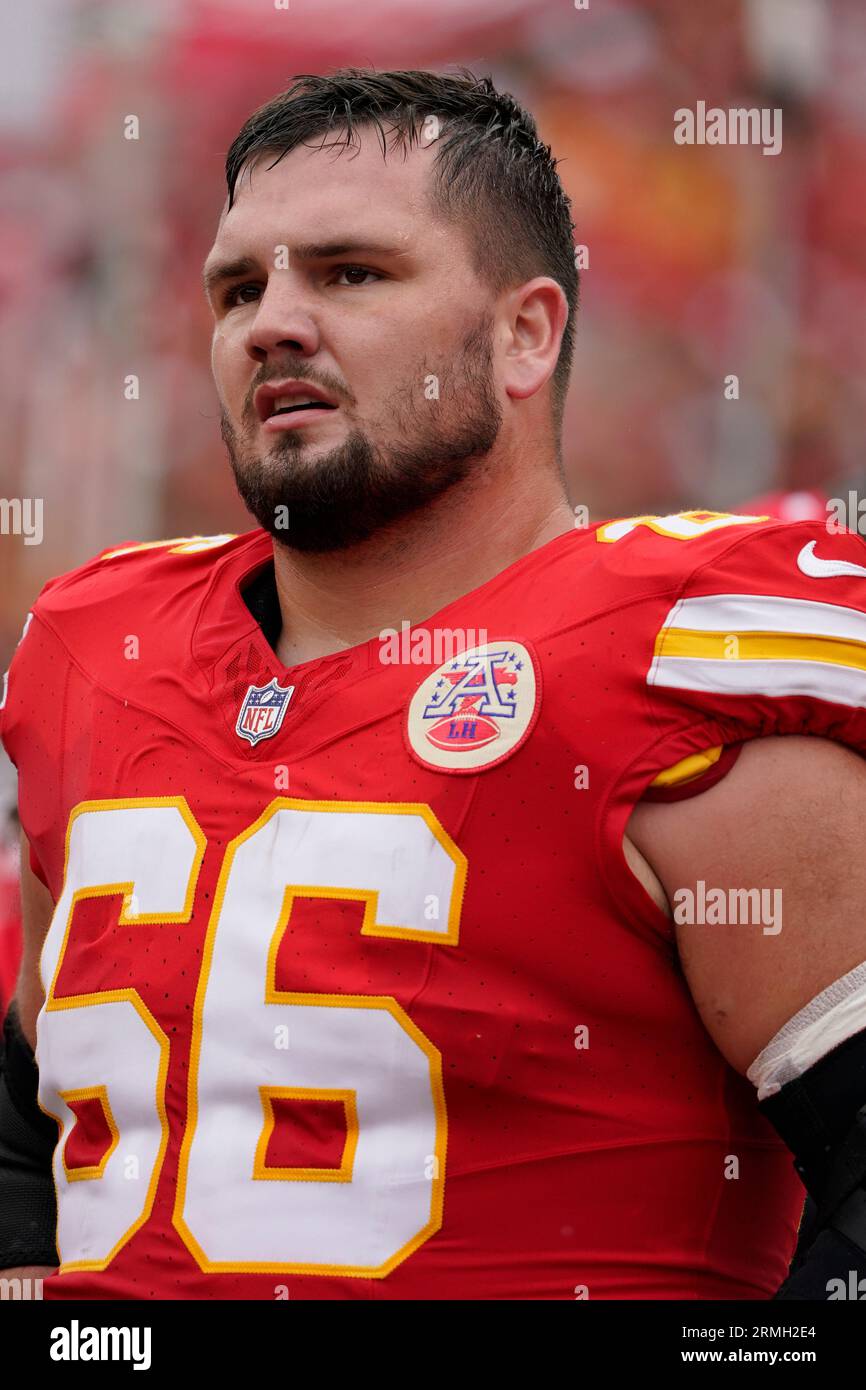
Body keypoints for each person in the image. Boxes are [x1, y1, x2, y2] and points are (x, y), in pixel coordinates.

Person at [2, 67, 865, 1300]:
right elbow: (29, 1104)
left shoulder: (676, 666)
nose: (273, 323)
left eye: (353, 273)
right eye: (238, 287)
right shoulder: (100, 644)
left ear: (525, 334)